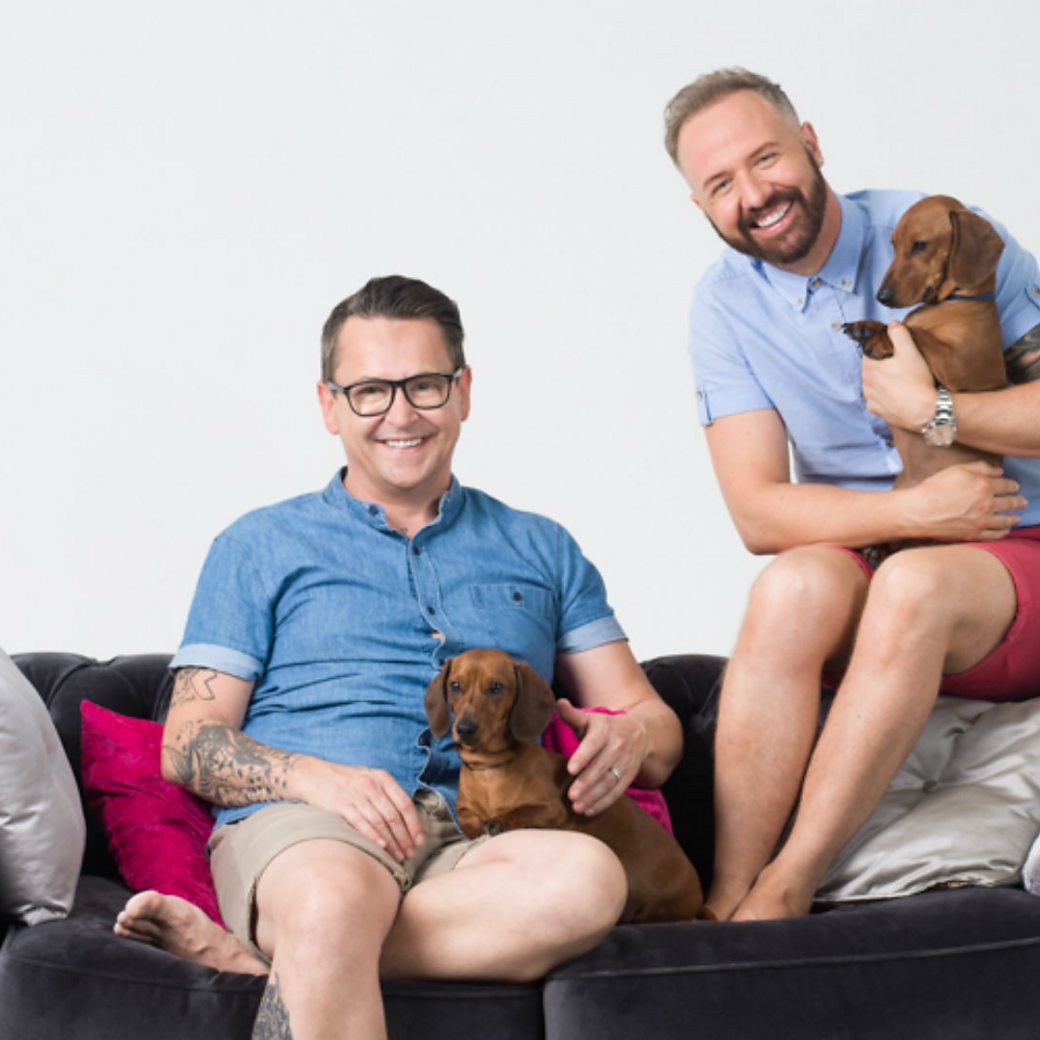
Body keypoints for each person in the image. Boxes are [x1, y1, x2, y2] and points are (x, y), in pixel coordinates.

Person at [114, 275, 683, 1040]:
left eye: (424, 385)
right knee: (331, 902)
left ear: (463, 392)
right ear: (329, 406)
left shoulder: (542, 548)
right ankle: (316, 933)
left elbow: (656, 726)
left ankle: (268, 960)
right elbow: (187, 743)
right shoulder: (256, 546)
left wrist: (634, 734)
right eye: (370, 392)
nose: (401, 414)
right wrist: (319, 779)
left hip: (481, 845)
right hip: (312, 831)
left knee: (587, 880)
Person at [662, 68, 1040, 923]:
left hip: (1014, 546)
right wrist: (912, 513)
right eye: (721, 183)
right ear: (700, 204)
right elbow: (759, 512)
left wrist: (938, 412)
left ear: (811, 144)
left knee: (913, 584)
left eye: (766, 158)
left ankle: (789, 886)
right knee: (791, 586)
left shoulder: (947, 230)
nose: (754, 194)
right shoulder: (724, 308)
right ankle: (726, 900)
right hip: (881, 542)